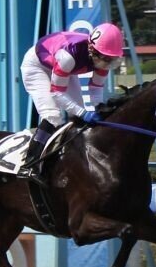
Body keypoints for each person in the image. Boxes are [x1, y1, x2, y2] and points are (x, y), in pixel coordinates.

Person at [17, 23, 124, 184]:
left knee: (78, 117)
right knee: (52, 116)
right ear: (92, 50)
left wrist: (99, 110)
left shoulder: (103, 57)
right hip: (37, 66)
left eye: (112, 59)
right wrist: (84, 112)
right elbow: (57, 94)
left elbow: (95, 90)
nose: (108, 63)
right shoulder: (68, 56)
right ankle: (29, 165)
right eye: (106, 58)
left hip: (65, 69)